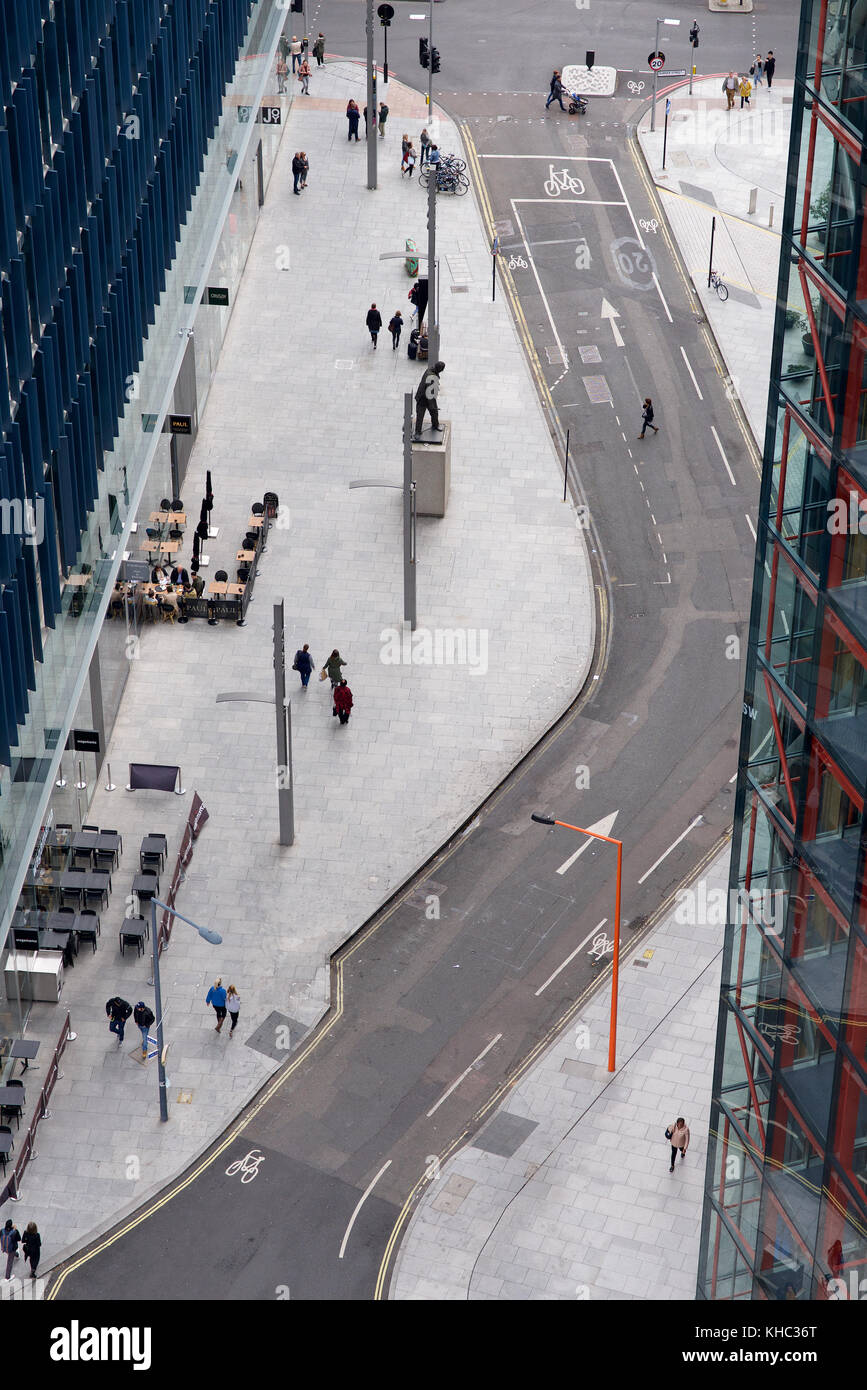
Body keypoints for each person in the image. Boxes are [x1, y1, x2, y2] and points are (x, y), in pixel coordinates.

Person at [414, 360, 445, 436]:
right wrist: (432, 406)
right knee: (420, 416)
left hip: (426, 396)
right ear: (440, 369)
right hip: (423, 398)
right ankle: (417, 432)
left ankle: (435, 425)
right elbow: (429, 394)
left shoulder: (430, 370)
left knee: (434, 413)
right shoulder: (432, 377)